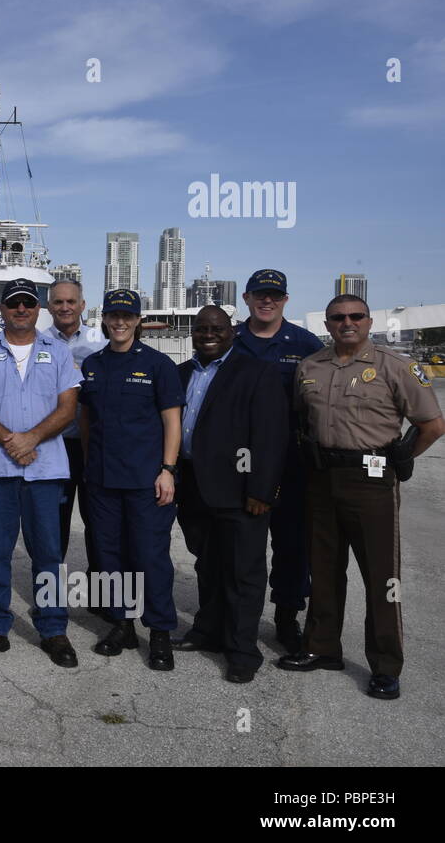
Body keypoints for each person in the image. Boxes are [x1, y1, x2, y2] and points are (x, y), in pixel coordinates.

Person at [279, 294, 443, 700]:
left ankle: (386, 666)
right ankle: (322, 647)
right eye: (337, 317)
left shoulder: (397, 366)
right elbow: (302, 418)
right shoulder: (310, 367)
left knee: (382, 576)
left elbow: (432, 424)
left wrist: (402, 458)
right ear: (329, 324)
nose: (346, 323)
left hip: (371, 483)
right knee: (324, 569)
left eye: (355, 316)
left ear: (369, 321)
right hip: (321, 479)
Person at [0, 279, 81, 666]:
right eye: (14, 304)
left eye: (29, 303)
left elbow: (68, 408)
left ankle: (53, 628)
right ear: (4, 310)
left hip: (46, 470)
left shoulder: (58, 352)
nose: (22, 309)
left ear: (38, 308)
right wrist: (14, 441)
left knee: (48, 552)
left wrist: (32, 439)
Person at [171, 306, 288, 683]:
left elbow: (271, 436)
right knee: (208, 565)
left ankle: (242, 650)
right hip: (194, 489)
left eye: (216, 328)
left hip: (240, 492)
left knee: (243, 573)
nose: (208, 334)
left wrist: (262, 489)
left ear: (231, 332)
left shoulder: (256, 372)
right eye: (202, 328)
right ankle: (208, 631)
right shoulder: (183, 373)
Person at [77, 289, 184, 671]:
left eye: (127, 316)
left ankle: (158, 631)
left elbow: (172, 420)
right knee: (108, 556)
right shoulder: (92, 364)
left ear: (138, 320)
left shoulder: (157, 364)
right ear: (104, 318)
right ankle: (121, 624)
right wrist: (89, 465)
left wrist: (168, 470)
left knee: (150, 556)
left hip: (146, 479)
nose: (120, 322)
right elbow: (87, 420)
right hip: (103, 479)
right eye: (113, 315)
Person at [231, 269, 325, 653]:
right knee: (239, 542)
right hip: (240, 459)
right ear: (247, 299)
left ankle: (287, 615)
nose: (267, 301)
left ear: (286, 299)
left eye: (275, 295)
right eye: (259, 294)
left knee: (292, 543)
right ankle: (235, 616)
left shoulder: (305, 344)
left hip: (291, 460)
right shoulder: (230, 340)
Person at [44, 279, 107, 587]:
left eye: (71, 302)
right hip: (56, 445)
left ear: (83, 305)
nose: (65, 308)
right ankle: (53, 590)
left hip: (95, 444)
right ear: (48, 306)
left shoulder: (102, 343)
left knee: (99, 520)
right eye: (58, 302)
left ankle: (101, 592)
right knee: (55, 523)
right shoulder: (38, 343)